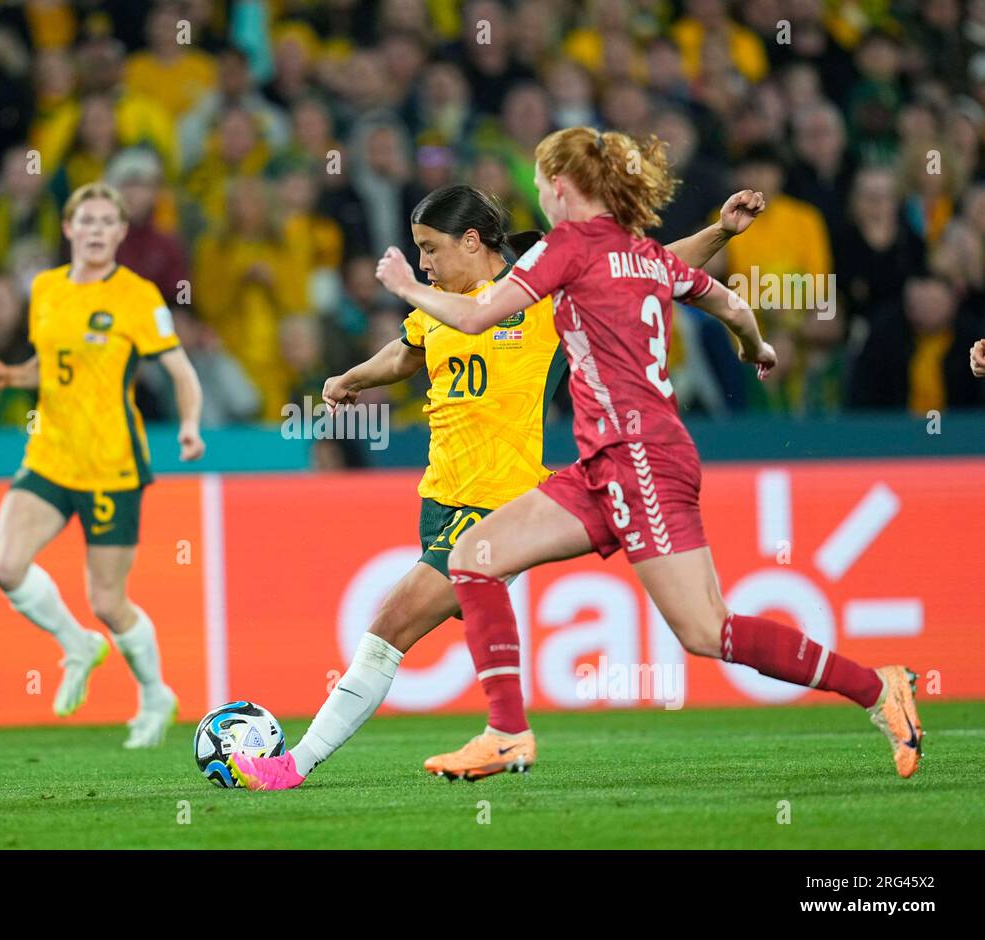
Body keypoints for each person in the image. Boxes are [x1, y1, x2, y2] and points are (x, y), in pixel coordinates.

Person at [367, 127, 922, 781]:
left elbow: (474, 316)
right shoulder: (634, 254)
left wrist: (405, 285)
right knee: (474, 557)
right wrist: (755, 349)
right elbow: (728, 301)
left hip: (642, 462)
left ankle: (878, 688)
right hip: (604, 465)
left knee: (708, 631)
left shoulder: (569, 247)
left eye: (542, 183)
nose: (539, 195)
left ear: (561, 187)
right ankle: (506, 733)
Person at [228, 181, 767, 791]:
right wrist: (349, 378)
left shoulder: (536, 301)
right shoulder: (438, 311)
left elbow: (641, 268)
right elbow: (406, 355)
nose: (424, 265)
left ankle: (293, 766)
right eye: (418, 252)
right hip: (442, 501)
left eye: (430, 250)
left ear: (471, 240)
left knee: (389, 626)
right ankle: (501, 727)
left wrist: (720, 231)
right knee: (395, 629)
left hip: (499, 505)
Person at [0, 182, 205, 748]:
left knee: (107, 600)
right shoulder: (46, 288)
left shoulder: (137, 296)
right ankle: (76, 645)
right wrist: (8, 375)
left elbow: (180, 370)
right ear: (68, 228)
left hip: (113, 465)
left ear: (122, 231)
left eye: (109, 221)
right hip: (51, 455)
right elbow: (50, 366)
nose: (98, 229)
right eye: (88, 220)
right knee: (5, 566)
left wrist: (189, 424)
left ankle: (156, 694)